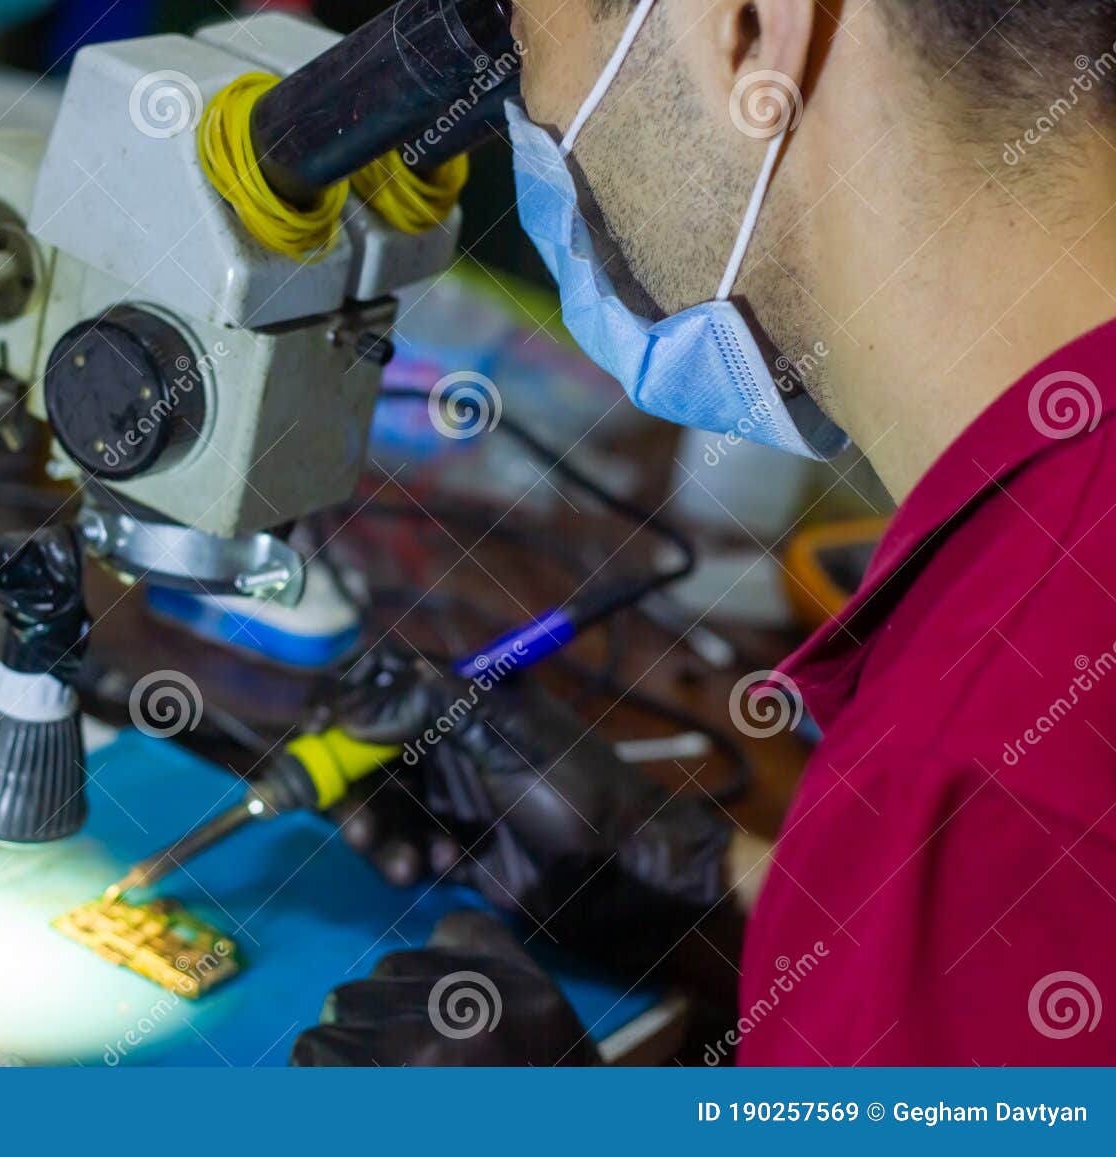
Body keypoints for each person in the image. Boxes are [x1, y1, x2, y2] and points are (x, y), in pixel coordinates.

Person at [294, 0, 1116, 1066]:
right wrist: (724, 875)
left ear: (747, 30)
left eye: (522, 32)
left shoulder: (977, 780)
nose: (528, 117)